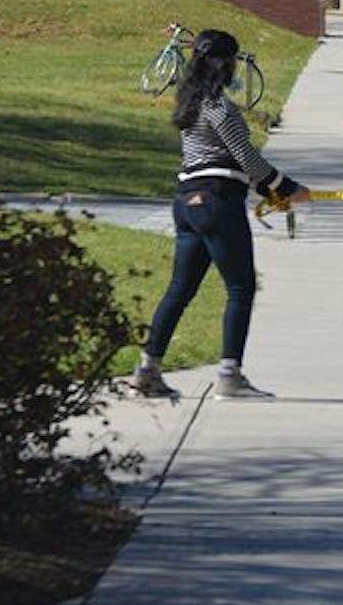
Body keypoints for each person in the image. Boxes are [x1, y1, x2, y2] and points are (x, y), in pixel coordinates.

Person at [127, 29, 309, 401]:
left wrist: (268, 191)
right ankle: (230, 376)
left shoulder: (189, 105)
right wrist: (287, 187)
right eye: (234, 60)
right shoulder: (219, 107)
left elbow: (223, 160)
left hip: (188, 202)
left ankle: (147, 370)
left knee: (180, 289)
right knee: (241, 288)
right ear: (224, 62)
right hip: (217, 202)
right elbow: (246, 159)